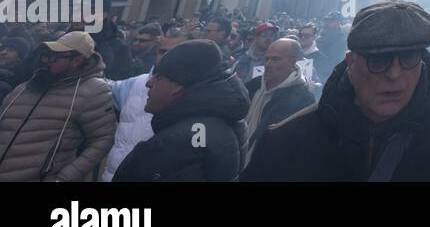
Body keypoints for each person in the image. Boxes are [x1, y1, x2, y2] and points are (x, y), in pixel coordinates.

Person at [241, 0, 430, 181]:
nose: (394, 74)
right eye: (379, 61)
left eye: (408, 58)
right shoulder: (288, 139)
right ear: (351, 62)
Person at [111, 39, 249, 182]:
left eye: (159, 76)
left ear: (177, 85)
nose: (149, 83)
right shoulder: (227, 120)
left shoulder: (174, 143)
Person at [0, 31, 117, 181]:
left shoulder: (94, 91)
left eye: (53, 56)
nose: (46, 60)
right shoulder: (29, 85)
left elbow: (103, 139)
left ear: (77, 60)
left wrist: (65, 177)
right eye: (45, 54)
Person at [102, 29, 188, 181]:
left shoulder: (193, 93)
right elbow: (104, 89)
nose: (166, 58)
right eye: (162, 52)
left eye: (174, 53)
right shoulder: (137, 83)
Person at [244, 38, 315, 157]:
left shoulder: (303, 100)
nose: (268, 64)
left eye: (276, 59)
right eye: (266, 59)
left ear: (293, 61)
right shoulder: (252, 86)